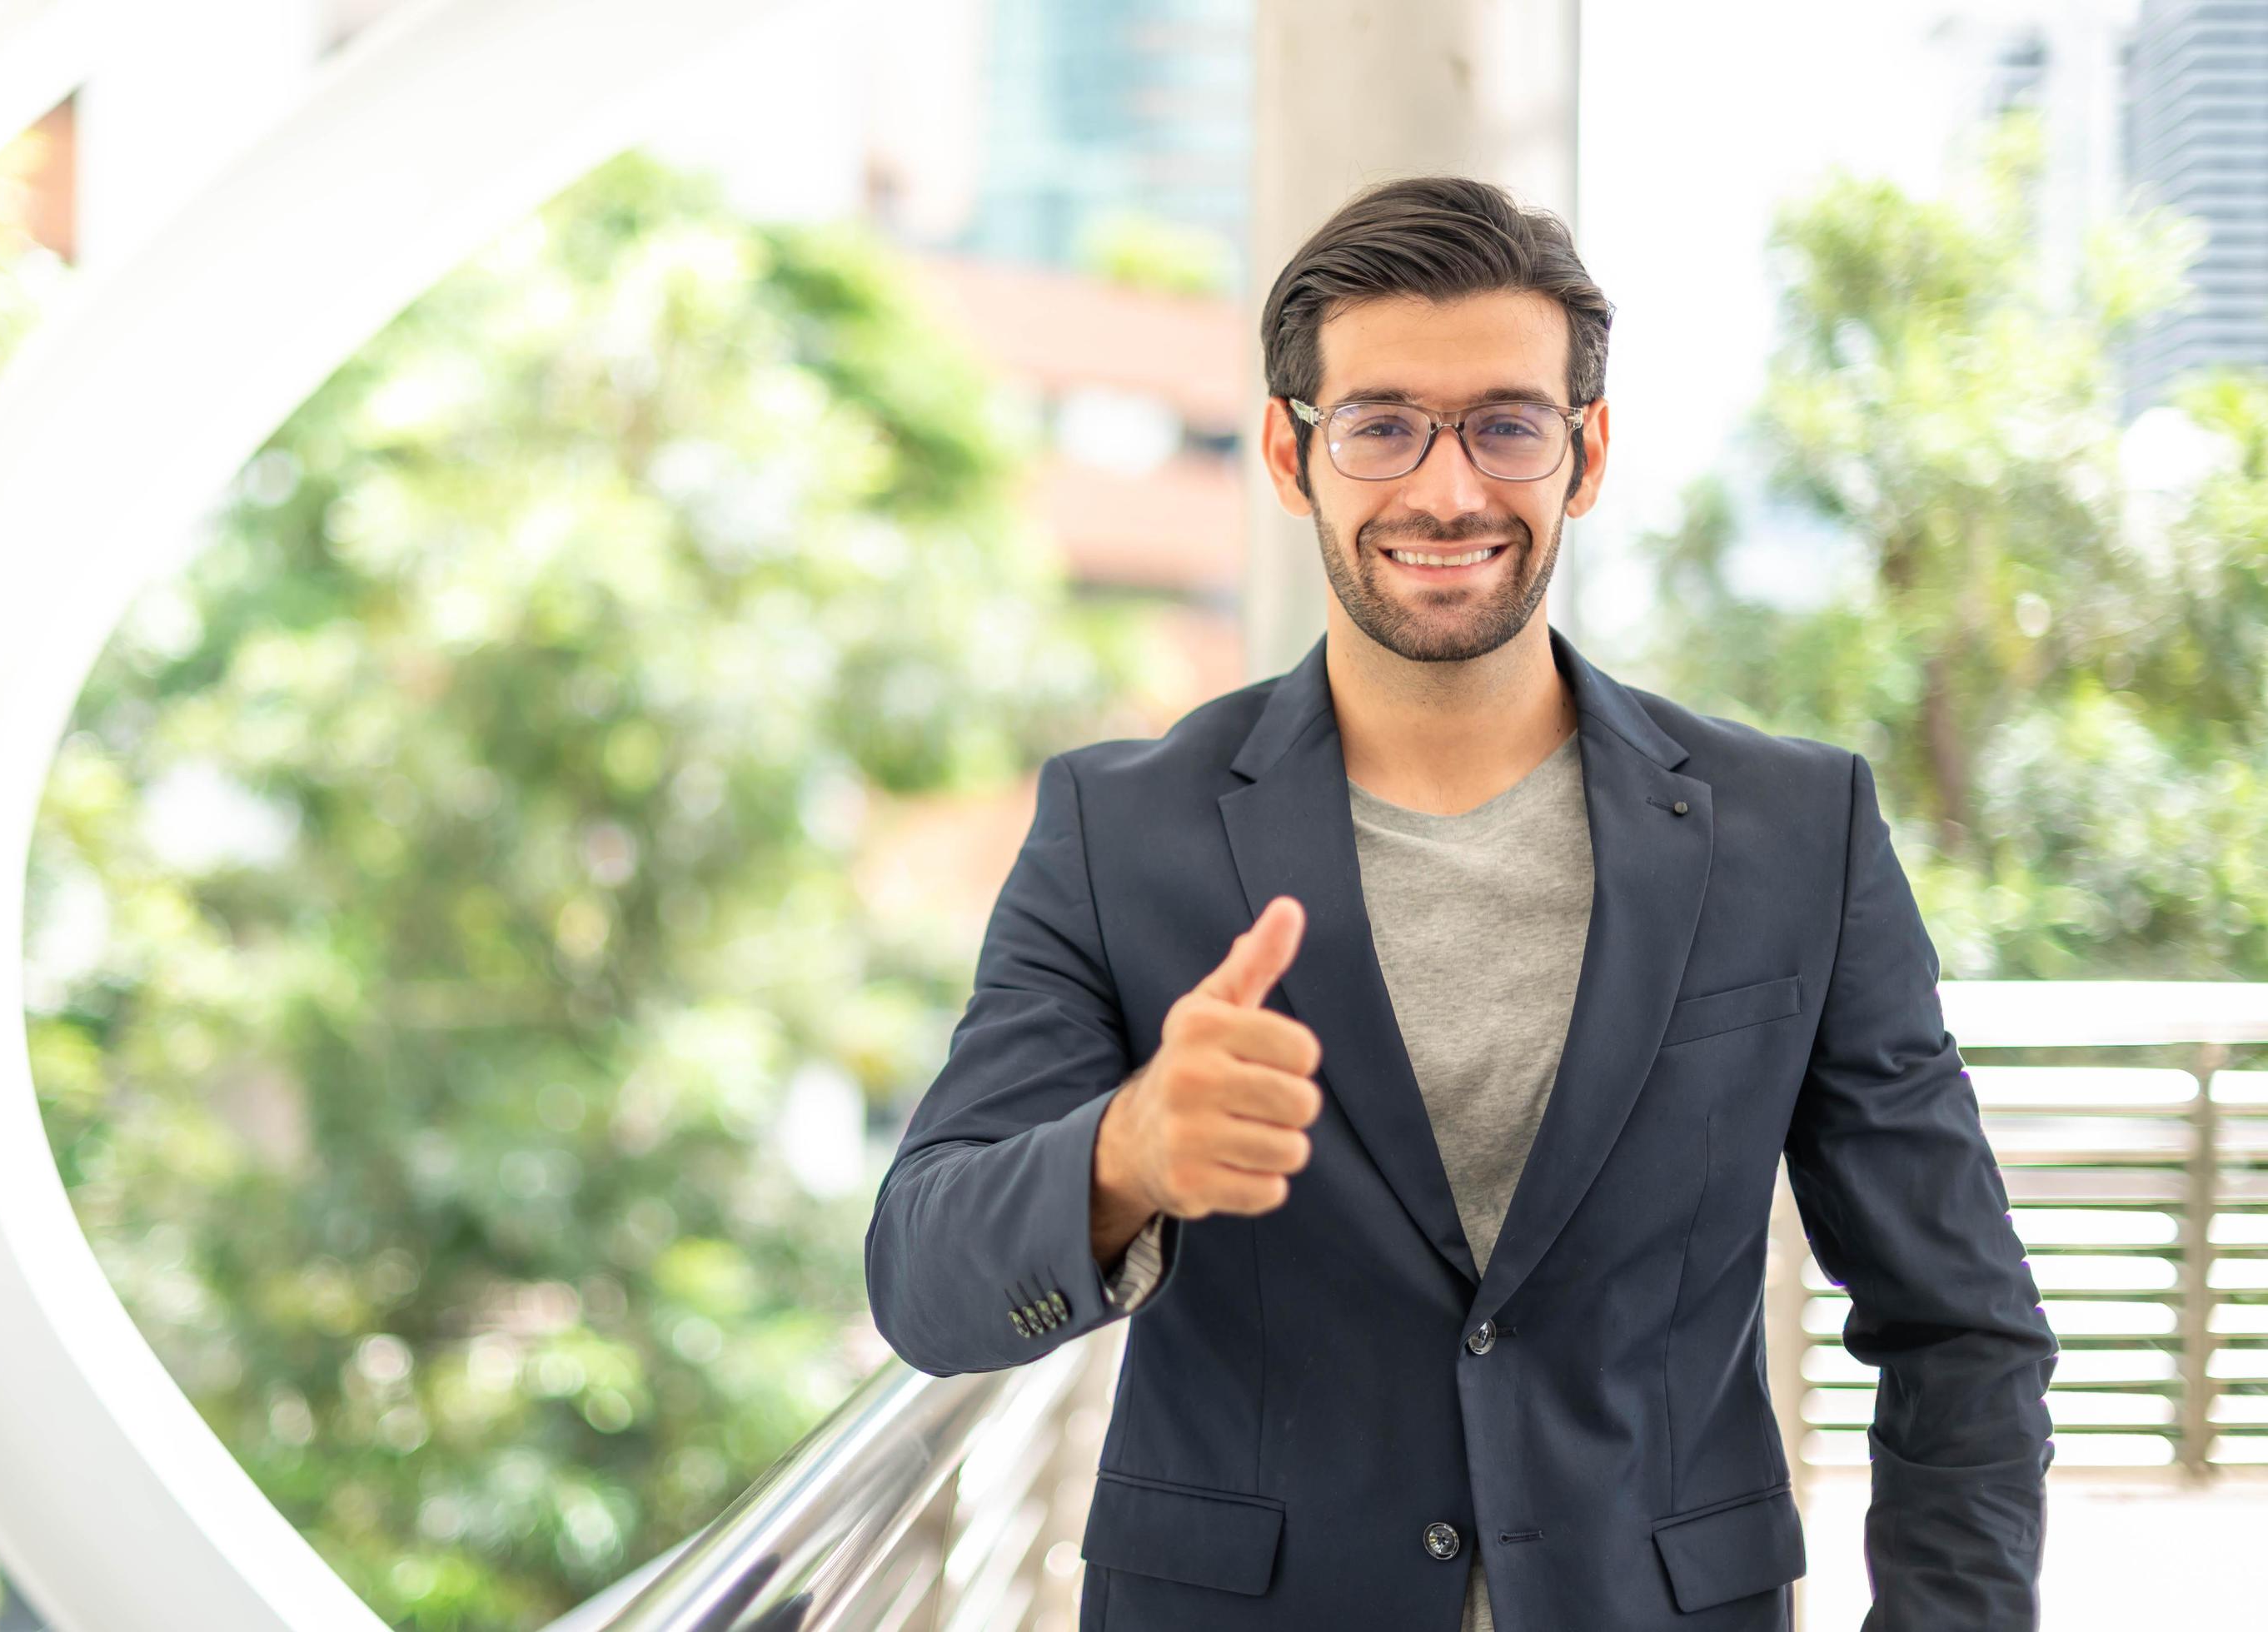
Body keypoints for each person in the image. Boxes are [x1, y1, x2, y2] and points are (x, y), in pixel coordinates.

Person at [862, 176, 2055, 1631]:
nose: (1445, 490)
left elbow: (1961, 1324)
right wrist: (1126, 1154)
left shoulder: (1794, 834)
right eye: (1379, 426)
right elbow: (923, 1282)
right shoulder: (1121, 833)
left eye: (1505, 424)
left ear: (1584, 454)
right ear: (1290, 455)